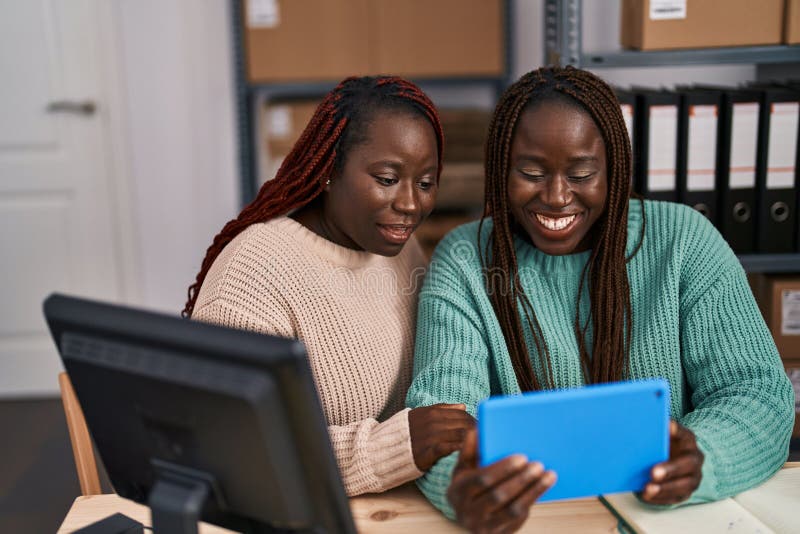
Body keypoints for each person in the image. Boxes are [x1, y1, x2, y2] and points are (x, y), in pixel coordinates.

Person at [406, 66, 795, 531]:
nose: (555, 197)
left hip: (665, 518)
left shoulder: (683, 241)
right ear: (499, 171)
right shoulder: (466, 258)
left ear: (614, 169)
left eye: (582, 173)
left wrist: (702, 457)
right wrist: (462, 487)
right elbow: (444, 418)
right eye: (530, 173)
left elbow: (757, 393)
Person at [184, 76, 474, 496]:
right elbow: (235, 450)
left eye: (425, 183)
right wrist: (393, 447)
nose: (411, 204)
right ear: (329, 171)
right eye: (387, 178)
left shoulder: (399, 248)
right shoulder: (251, 272)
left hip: (401, 507)